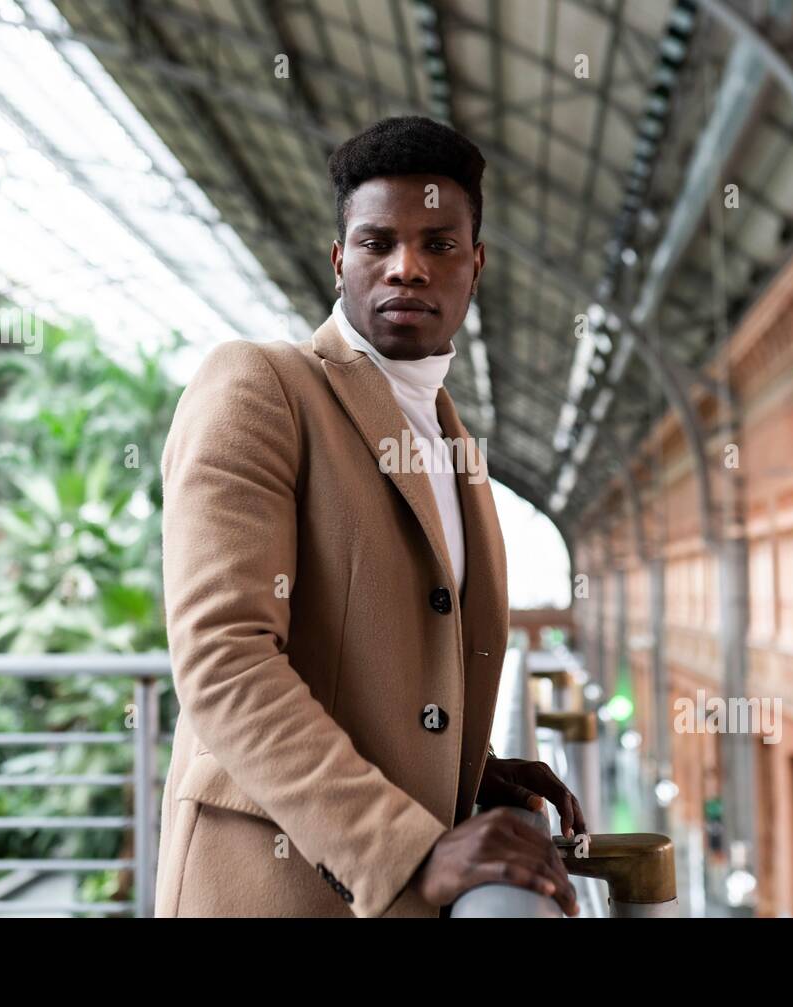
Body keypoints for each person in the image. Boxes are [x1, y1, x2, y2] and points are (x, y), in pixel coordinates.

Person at [154, 115, 585, 918]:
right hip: (271, 887)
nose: (407, 268)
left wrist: (467, 765)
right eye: (378, 242)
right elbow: (225, 659)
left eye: (439, 244)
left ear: (476, 264)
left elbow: (380, 656)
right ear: (339, 259)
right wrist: (411, 844)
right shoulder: (262, 387)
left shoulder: (456, 445)